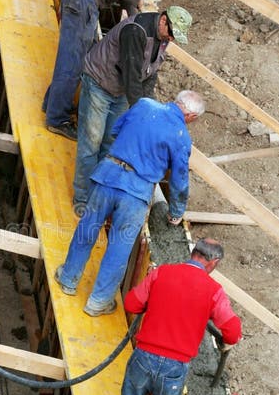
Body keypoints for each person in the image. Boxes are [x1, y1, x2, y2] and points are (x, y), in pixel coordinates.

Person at [99, 237, 242, 395]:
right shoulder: (214, 291)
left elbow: (132, 303)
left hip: (144, 357)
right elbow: (231, 331)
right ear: (214, 262)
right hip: (175, 367)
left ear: (193, 252)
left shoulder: (162, 273)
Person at [55, 90, 205, 316]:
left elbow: (115, 130)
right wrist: (176, 212)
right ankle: (98, 302)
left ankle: (68, 278)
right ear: (191, 117)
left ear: (176, 101)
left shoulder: (144, 105)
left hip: (108, 175)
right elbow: (179, 179)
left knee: (87, 229)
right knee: (119, 246)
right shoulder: (181, 135)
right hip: (136, 193)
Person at [43, 0, 183, 140]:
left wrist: (140, 19)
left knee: (79, 57)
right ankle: (57, 119)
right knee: (73, 61)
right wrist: (140, 2)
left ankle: (52, 105)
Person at [73, 5, 192, 208]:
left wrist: (151, 109)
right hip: (100, 83)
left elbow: (149, 75)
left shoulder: (162, 38)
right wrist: (143, 114)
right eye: (171, 33)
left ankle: (98, 192)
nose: (171, 39)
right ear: (163, 20)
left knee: (110, 143)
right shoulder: (136, 31)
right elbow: (132, 77)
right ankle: (82, 197)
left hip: (119, 90)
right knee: (91, 142)